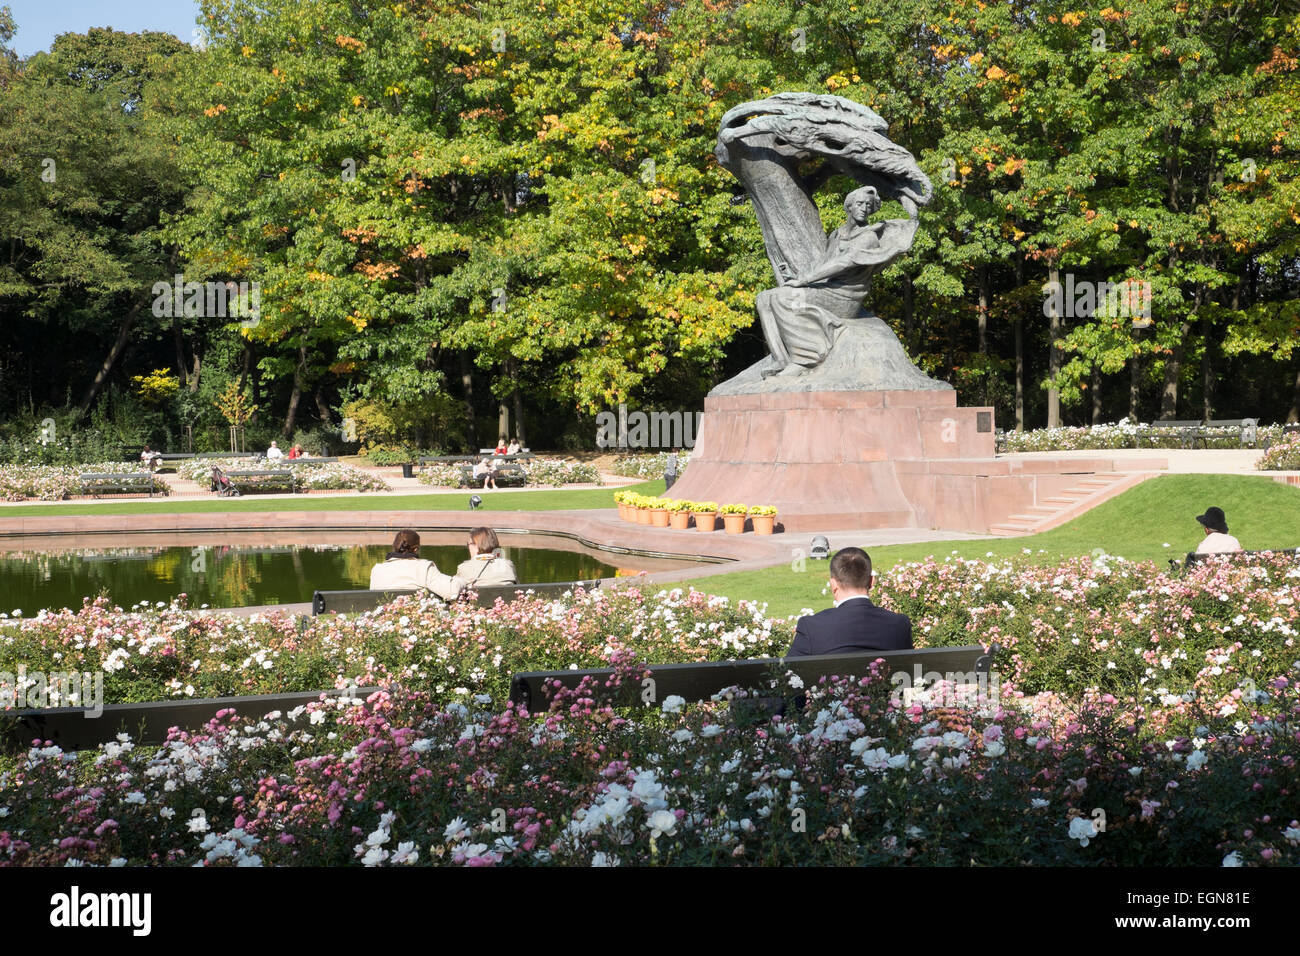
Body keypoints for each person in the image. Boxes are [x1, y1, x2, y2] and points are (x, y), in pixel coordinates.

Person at [786, 547, 912, 657]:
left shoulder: (812, 627)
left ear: (833, 584)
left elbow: (786, 674)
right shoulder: (899, 624)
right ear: (872, 581)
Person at [369, 529, 463, 600]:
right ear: (416, 549)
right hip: (415, 620)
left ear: (394, 547)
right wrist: (460, 579)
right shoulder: (424, 567)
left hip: (383, 622)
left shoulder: (377, 569)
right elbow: (452, 592)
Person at [453, 527, 519, 588]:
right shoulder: (508, 565)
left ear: (476, 546)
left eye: (468, 544)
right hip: (506, 600)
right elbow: (518, 589)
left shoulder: (464, 568)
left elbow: (454, 592)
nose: (468, 548)